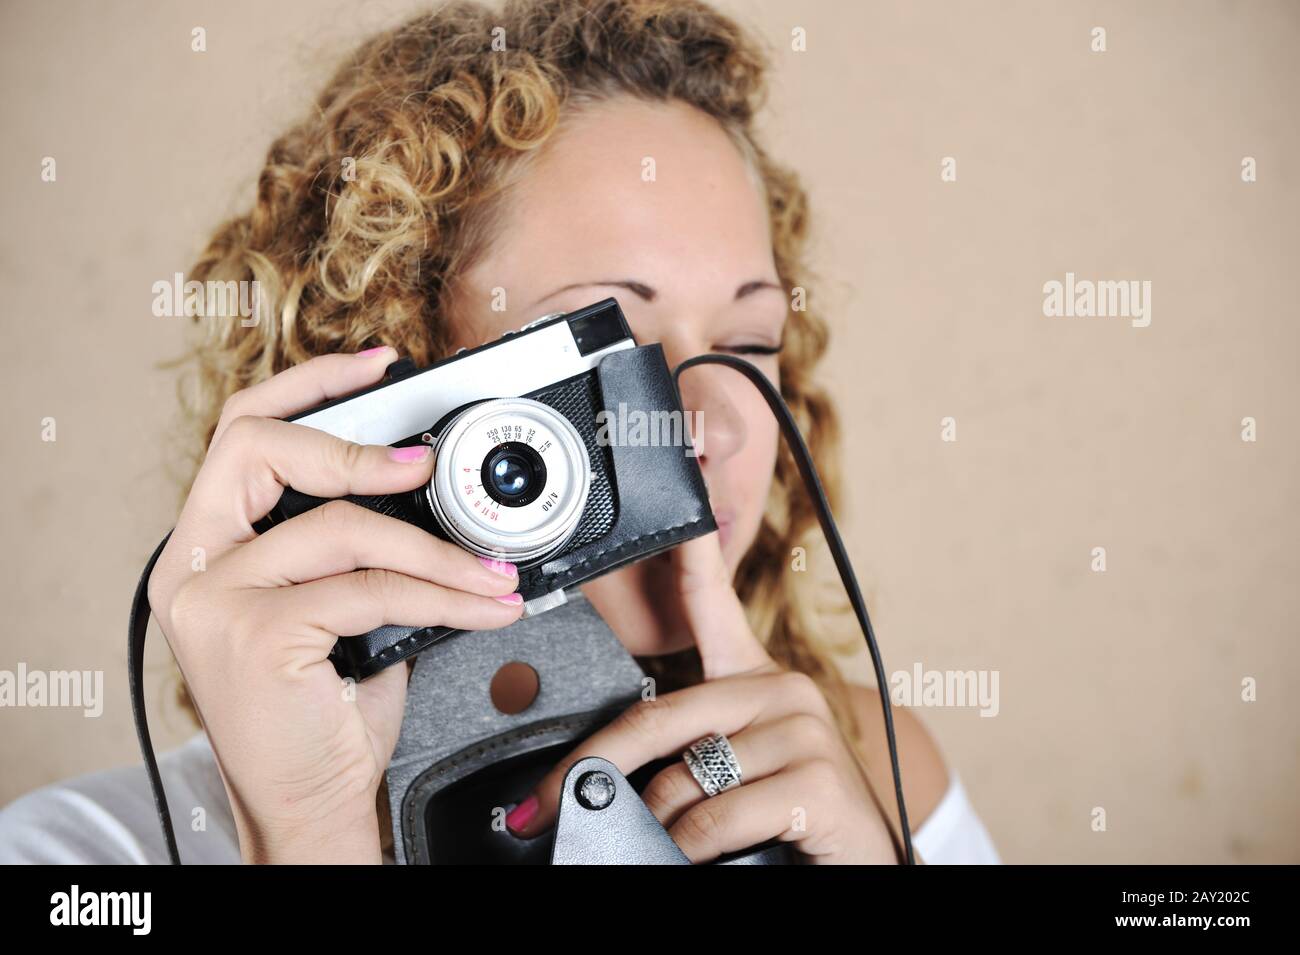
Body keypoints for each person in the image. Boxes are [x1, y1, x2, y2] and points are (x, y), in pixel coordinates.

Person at [0, 0, 998, 865]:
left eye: (748, 341)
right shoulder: (90, 850)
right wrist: (309, 840)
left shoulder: (875, 778)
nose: (707, 426)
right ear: (392, 361)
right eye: (606, 342)